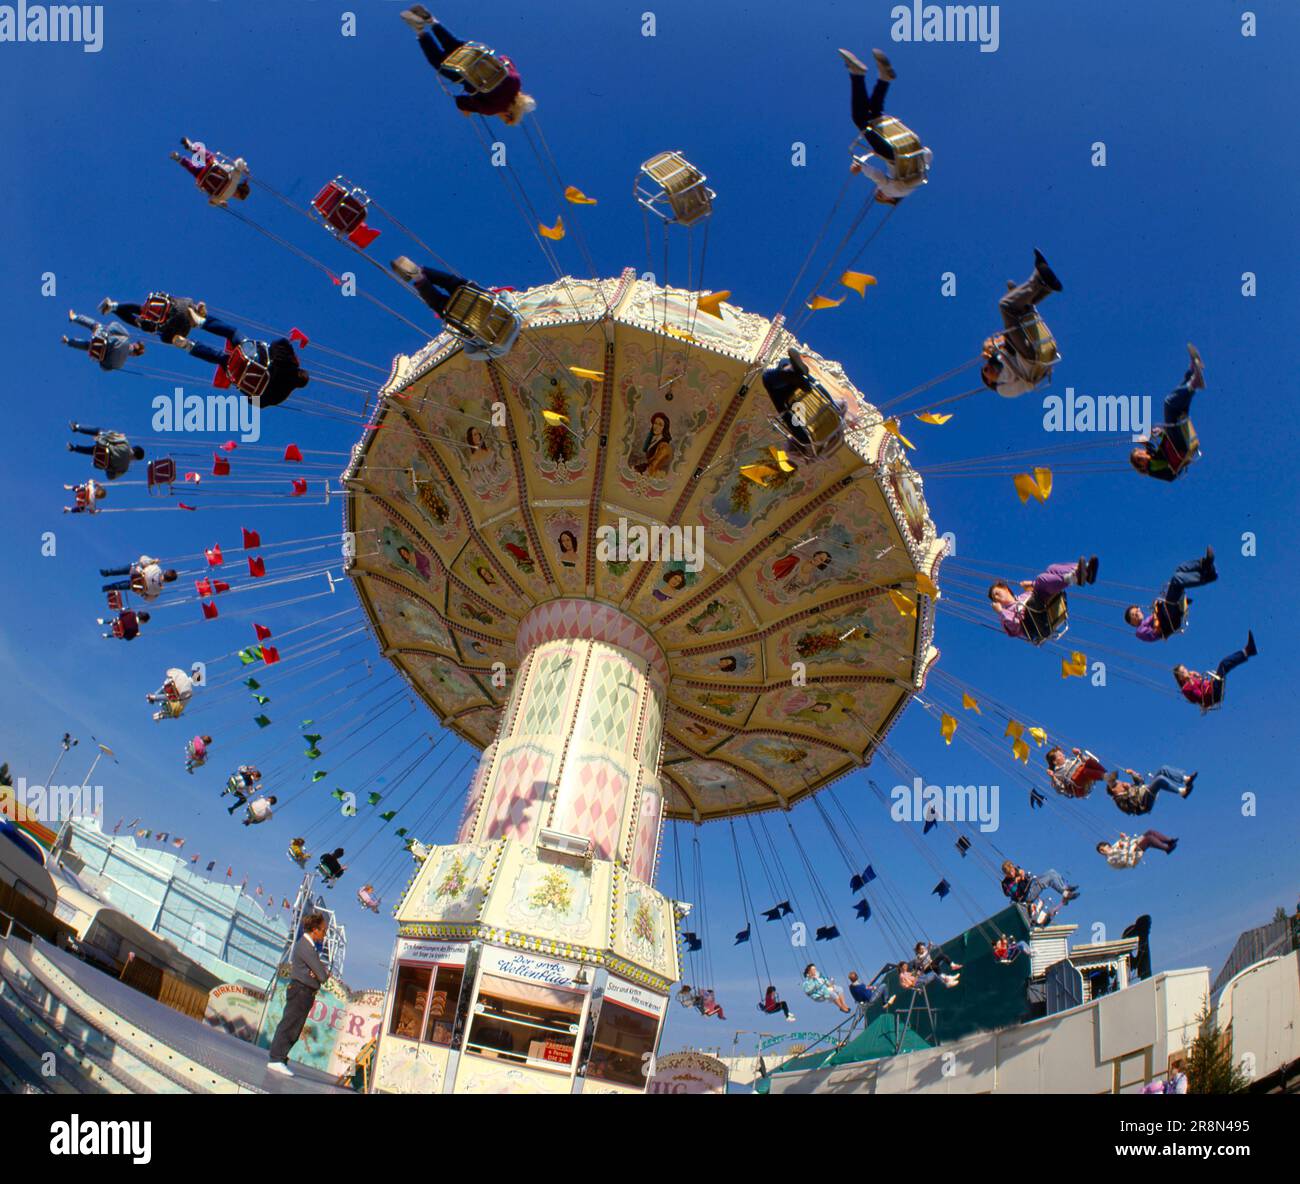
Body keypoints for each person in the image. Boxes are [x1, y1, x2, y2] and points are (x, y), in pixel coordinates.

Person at [399, 7, 536, 126]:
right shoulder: (492, 108)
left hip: (477, 55)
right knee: (437, 60)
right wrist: (466, 110)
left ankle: (432, 21)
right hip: (463, 73)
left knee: (452, 44)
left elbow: (505, 60)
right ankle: (420, 31)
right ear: (508, 115)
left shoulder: (516, 82)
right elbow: (462, 102)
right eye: (504, 120)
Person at [841, 48, 931, 203]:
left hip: (909, 144)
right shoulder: (895, 191)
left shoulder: (917, 177)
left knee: (876, 115)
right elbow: (878, 178)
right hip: (893, 154)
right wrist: (861, 167)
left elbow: (928, 153)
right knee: (860, 119)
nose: (879, 192)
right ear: (890, 199)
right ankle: (857, 75)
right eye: (880, 196)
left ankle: (884, 79)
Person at [390, 257, 523, 360]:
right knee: (436, 302)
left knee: (451, 282)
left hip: (479, 301)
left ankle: (422, 271)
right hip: (464, 318)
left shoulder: (517, 321)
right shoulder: (499, 350)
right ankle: (419, 278)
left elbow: (506, 298)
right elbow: (470, 352)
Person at [981, 249, 1063, 397]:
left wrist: (995, 348)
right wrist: (996, 352)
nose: (988, 368)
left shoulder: (1006, 365)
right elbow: (1024, 382)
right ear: (990, 382)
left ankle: (1045, 287)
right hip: (1030, 360)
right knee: (1006, 306)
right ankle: (1038, 280)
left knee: (1020, 310)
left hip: (1026, 355)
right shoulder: (1003, 389)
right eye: (986, 371)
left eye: (986, 367)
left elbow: (1008, 352)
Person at [183, 317, 310, 407]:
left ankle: (200, 322)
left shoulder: (290, 365)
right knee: (221, 358)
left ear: (299, 371)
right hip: (242, 377)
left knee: (233, 333)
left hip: (253, 356)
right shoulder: (282, 395)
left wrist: (291, 355)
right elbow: (256, 403)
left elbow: (279, 343)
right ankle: (189, 345)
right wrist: (246, 392)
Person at [267, 912, 331, 1077]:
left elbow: (318, 975)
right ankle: (276, 1059)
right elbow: (323, 976)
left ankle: (280, 1057)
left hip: (305, 992)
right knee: (290, 1024)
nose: (324, 934)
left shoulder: (308, 948)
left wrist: (315, 973)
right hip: (301, 991)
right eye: (323, 931)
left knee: (294, 1027)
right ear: (315, 929)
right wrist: (316, 973)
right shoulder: (306, 947)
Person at [1131, 345, 1206, 481]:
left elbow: (1157, 453)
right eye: (1139, 459)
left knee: (1178, 408)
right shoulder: (1152, 468)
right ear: (1141, 465)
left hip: (1177, 445)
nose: (1142, 455)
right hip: (1179, 449)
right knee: (1169, 404)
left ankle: (1193, 373)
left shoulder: (1153, 460)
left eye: (1140, 453)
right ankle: (1193, 382)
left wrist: (1153, 437)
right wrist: (1150, 442)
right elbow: (1167, 472)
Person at [988, 554, 1097, 641]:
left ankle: (1084, 571)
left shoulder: (1023, 596)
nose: (996, 597)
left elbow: (1044, 587)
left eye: (997, 593)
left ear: (1006, 589)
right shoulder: (1005, 615)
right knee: (1040, 580)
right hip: (1036, 624)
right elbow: (1015, 626)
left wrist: (1031, 584)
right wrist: (1001, 611)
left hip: (1041, 606)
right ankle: (1075, 577)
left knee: (1051, 568)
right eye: (994, 597)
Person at [1125, 548, 1216, 641]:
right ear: (1132, 623)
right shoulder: (1139, 631)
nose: (1136, 613)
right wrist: (1157, 611)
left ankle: (1205, 564)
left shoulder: (1149, 618)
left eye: (1136, 611)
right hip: (1168, 618)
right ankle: (1207, 577)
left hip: (1169, 611)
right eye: (1133, 615)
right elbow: (1157, 632)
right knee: (1176, 580)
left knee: (1179, 570)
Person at [1173, 631, 1257, 709]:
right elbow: (1199, 697)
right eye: (1182, 672)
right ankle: (1248, 651)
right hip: (1212, 695)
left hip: (1212, 688)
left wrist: (1196, 675)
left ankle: (1247, 651)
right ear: (1180, 678)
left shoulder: (1192, 677)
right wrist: (1191, 682)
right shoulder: (1186, 689)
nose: (1186, 671)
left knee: (1224, 665)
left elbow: (1203, 682)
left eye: (1185, 669)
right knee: (1223, 664)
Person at [100, 293, 207, 346]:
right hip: (157, 322)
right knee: (138, 322)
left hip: (160, 307)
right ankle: (112, 309)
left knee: (142, 310)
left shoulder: (188, 301)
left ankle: (113, 306)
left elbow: (174, 298)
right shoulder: (185, 331)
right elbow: (165, 339)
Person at [171, 137, 250, 206]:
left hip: (212, 166)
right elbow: (211, 202)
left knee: (208, 156)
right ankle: (178, 158)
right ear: (238, 194)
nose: (235, 197)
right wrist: (221, 202)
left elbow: (239, 162)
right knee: (194, 170)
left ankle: (191, 147)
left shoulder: (236, 178)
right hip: (203, 177)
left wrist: (244, 168)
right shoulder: (224, 197)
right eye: (237, 197)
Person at [62, 311, 145, 370]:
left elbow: (113, 326)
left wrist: (106, 333)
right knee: (89, 346)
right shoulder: (120, 365)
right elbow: (104, 367)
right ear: (134, 355)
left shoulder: (126, 338)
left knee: (96, 325)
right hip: (97, 352)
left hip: (101, 337)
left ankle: (75, 317)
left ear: (135, 345)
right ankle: (68, 341)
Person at [67, 422, 144, 480]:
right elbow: (110, 477)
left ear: (133, 448)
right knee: (95, 452)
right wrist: (108, 468)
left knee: (99, 432)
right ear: (135, 458)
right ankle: (73, 448)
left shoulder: (125, 443)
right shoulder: (124, 469)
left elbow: (111, 435)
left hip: (103, 445)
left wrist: (102, 436)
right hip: (102, 461)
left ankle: (77, 427)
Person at [1106, 766, 1196, 815]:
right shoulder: (1119, 801)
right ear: (1114, 790)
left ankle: (1186, 779)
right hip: (1143, 803)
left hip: (1146, 791)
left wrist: (1133, 774)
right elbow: (1133, 806)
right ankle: (1182, 792)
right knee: (1159, 779)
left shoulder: (1127, 789)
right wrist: (1129, 789)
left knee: (1163, 769)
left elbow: (1140, 782)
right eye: (1118, 784)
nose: (1121, 783)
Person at [1000, 859, 1080, 909]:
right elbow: (1014, 893)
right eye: (1009, 873)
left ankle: (1065, 887)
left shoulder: (1016, 870)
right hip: (1027, 896)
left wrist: (1022, 873)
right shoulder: (1006, 883)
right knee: (1049, 879)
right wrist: (1017, 881)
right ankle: (1065, 894)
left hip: (1031, 885)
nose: (1012, 873)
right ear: (1006, 873)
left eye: (1012, 870)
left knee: (1051, 872)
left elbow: (1022, 873)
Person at [100, 554, 178, 600]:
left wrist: (152, 561)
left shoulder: (157, 568)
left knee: (131, 568)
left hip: (135, 572)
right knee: (132, 585)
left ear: (165, 571)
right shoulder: (158, 590)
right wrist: (155, 595)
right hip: (137, 585)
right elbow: (148, 599)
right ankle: (109, 587)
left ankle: (107, 572)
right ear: (168, 581)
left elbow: (142, 559)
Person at [1097, 830, 1178, 869]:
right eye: (1102, 850)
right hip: (1131, 858)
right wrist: (1122, 847)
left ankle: (1169, 841)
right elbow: (1123, 859)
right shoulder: (1110, 860)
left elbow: (1127, 841)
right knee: (1149, 839)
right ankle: (1167, 848)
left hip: (1133, 848)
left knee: (1150, 832)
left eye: (1106, 846)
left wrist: (1123, 837)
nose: (1105, 849)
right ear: (1101, 853)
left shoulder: (1114, 846)